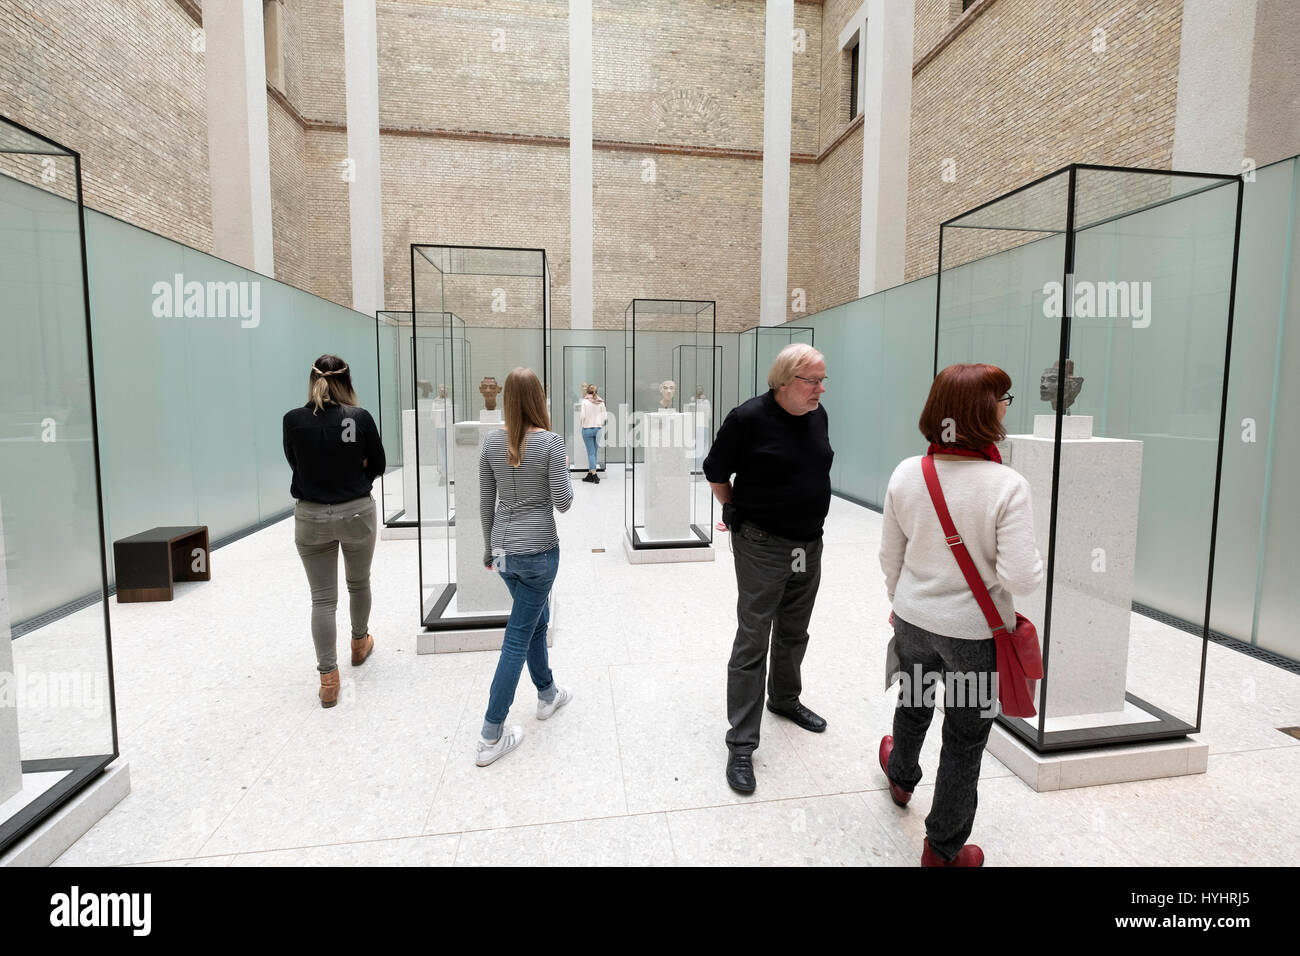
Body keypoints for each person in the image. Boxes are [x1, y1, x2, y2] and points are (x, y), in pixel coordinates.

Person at [878, 362, 1044, 867]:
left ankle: (901, 777)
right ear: (986, 411)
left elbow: (891, 557)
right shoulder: (1006, 485)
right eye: (1005, 398)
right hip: (973, 637)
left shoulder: (909, 472)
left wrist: (900, 604)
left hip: (913, 621)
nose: (1007, 407)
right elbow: (1022, 578)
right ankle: (943, 850)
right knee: (965, 738)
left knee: (913, 701)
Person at [703, 343, 834, 794]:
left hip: (807, 544)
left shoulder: (818, 415)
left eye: (822, 380)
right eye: (811, 380)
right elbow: (716, 471)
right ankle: (741, 743)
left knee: (795, 629)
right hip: (761, 544)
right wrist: (734, 514)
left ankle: (784, 699)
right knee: (754, 636)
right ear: (783, 381)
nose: (820, 388)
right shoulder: (748, 418)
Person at [475, 367, 574, 766]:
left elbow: (486, 502)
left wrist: (488, 549)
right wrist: (556, 470)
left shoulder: (490, 442)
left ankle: (547, 693)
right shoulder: (551, 443)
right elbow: (563, 501)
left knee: (535, 620)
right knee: (518, 635)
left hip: (502, 551)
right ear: (539, 398)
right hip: (538, 552)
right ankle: (490, 734)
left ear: (505, 399)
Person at [282, 354, 386, 708]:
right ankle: (359, 644)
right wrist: (357, 475)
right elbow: (380, 464)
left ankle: (328, 679)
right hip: (356, 510)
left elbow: (296, 464)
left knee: (322, 599)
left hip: (310, 516)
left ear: (312, 380)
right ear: (348, 382)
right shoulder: (359, 418)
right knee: (359, 583)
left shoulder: (293, 421)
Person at [578, 383, 607, 483]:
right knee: (594, 453)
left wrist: (582, 424)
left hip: (587, 429)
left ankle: (594, 475)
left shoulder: (585, 402)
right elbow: (605, 417)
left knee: (590, 453)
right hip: (598, 429)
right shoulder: (601, 402)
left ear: (587, 391)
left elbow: (582, 416)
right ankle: (589, 475)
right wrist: (599, 424)